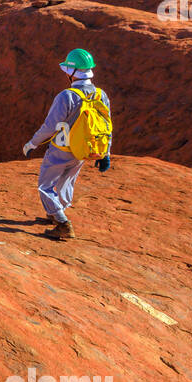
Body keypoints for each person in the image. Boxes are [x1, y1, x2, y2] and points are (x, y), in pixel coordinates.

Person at [22, 49, 112, 240]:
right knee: (66, 183)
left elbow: (50, 126)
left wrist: (32, 143)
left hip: (61, 150)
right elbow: (107, 126)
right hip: (82, 151)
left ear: (71, 72)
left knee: (45, 186)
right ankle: (55, 214)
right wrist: (106, 153)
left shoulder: (67, 96)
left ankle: (62, 223)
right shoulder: (100, 95)